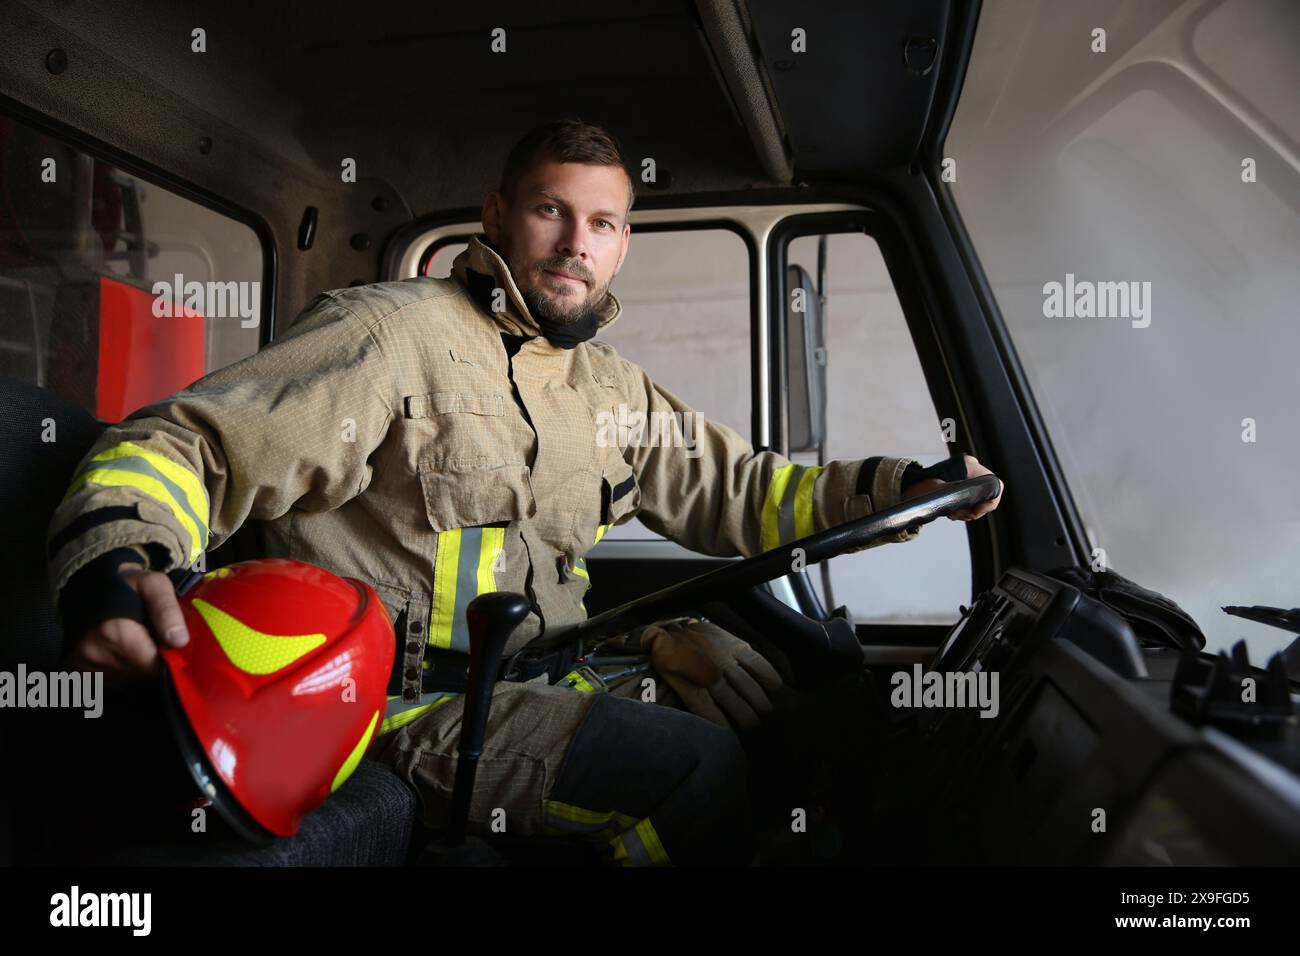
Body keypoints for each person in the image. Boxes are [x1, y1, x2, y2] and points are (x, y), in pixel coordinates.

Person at [47, 119, 1003, 865]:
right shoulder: (390, 336)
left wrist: (898, 490)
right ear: (498, 215)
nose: (574, 244)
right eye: (551, 211)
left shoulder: (609, 391)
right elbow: (190, 446)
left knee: (810, 736)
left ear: (623, 244)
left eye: (602, 223)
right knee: (697, 777)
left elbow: (745, 492)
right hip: (398, 713)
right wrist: (120, 559)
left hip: (545, 680)